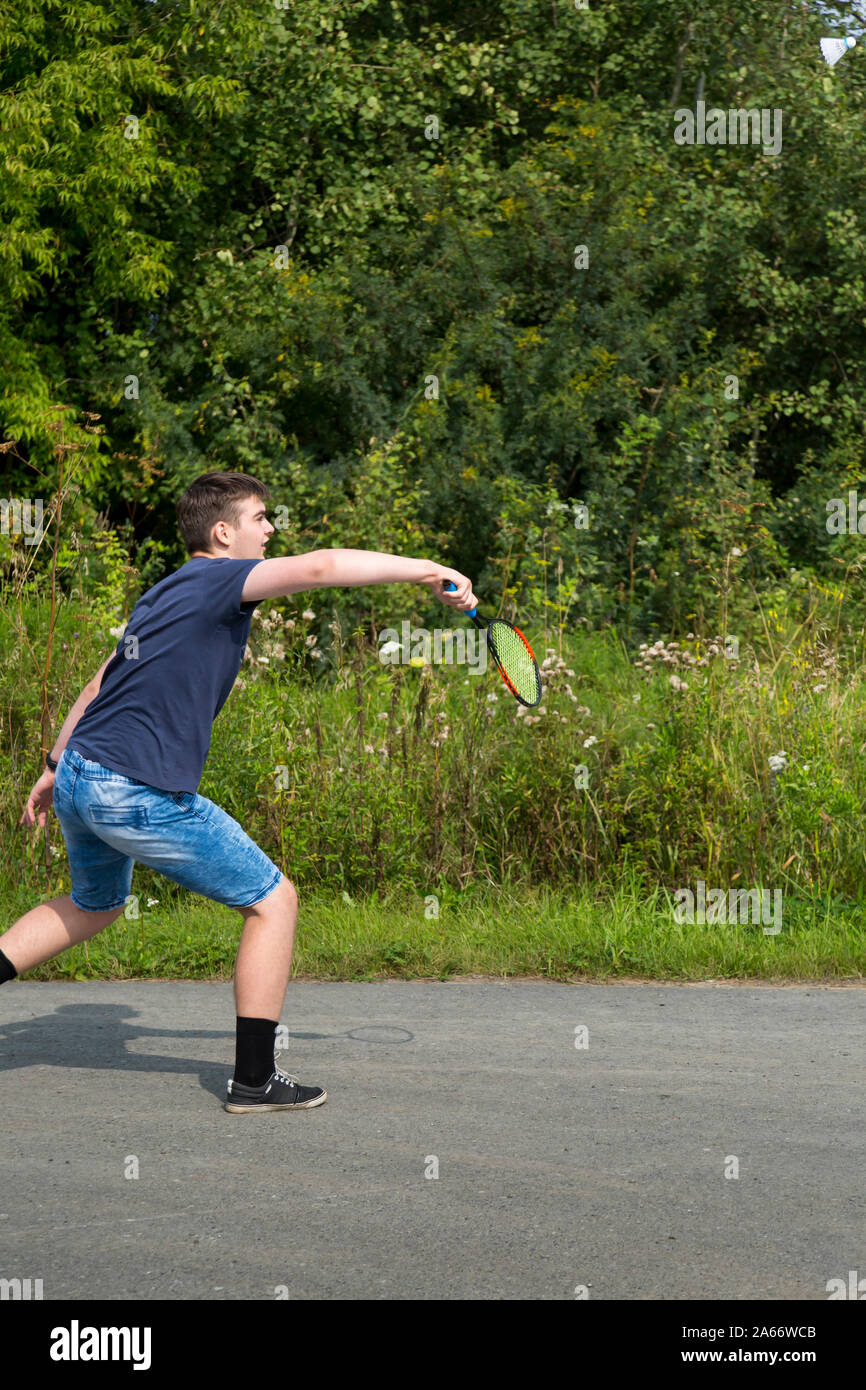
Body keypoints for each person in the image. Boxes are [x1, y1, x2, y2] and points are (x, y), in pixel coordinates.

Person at [2, 471, 477, 1113]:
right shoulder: (224, 579)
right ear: (223, 533)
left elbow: (101, 680)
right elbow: (321, 568)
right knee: (273, 900)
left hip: (84, 772)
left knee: (97, 903)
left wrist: (58, 762)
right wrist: (425, 568)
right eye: (260, 517)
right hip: (131, 788)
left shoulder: (161, 593)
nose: (270, 528)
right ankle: (254, 1080)